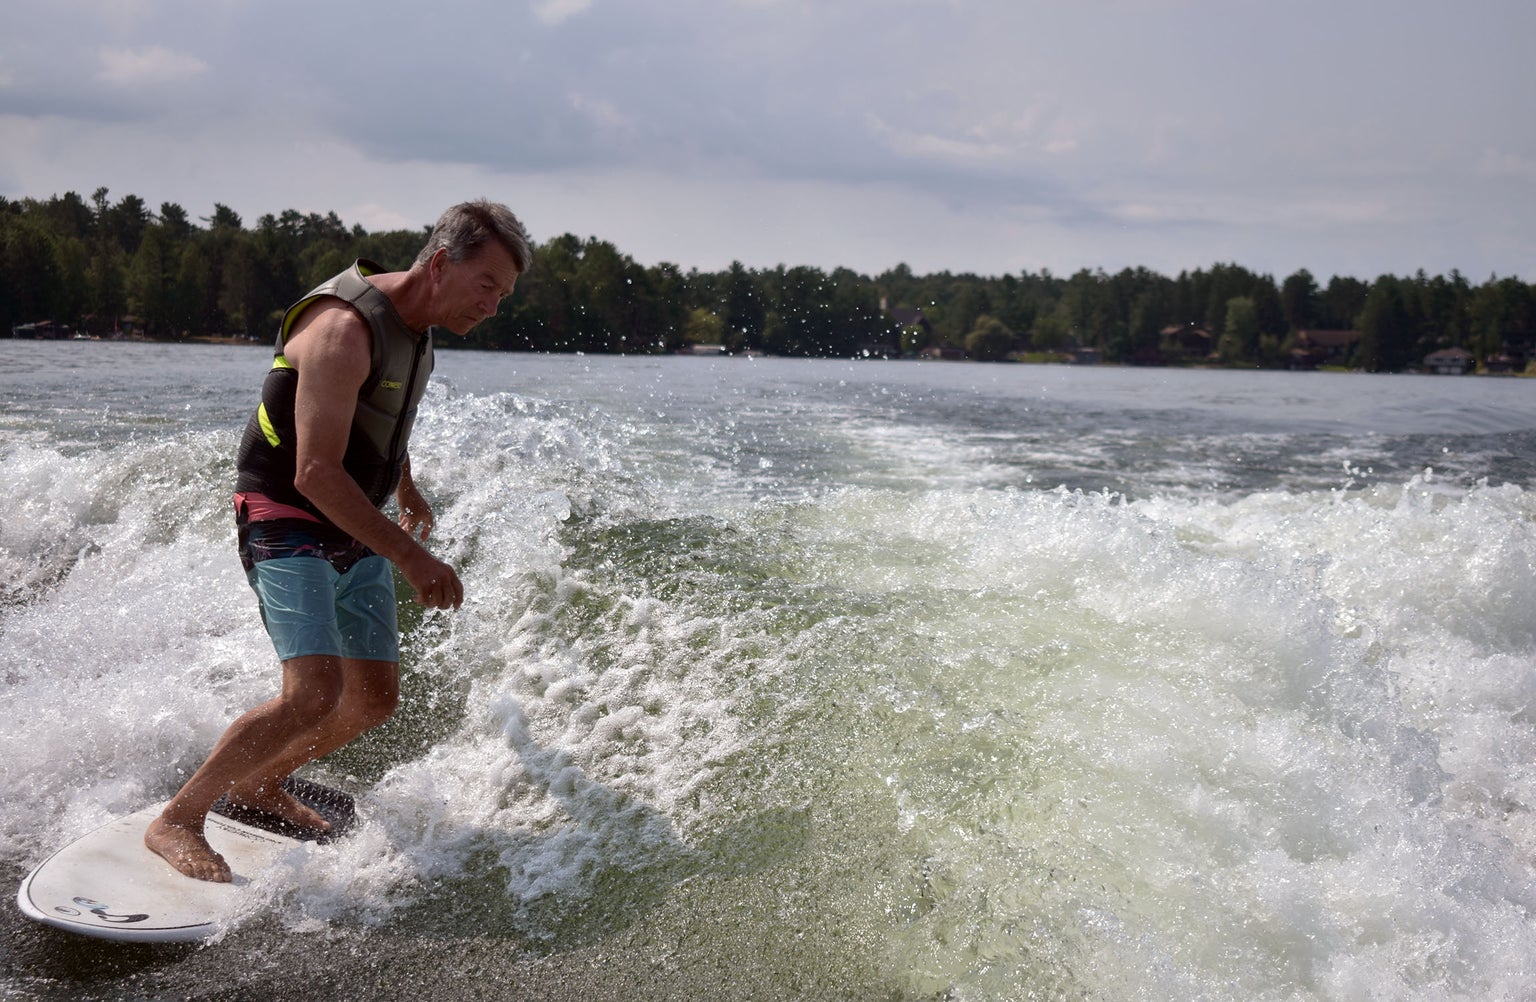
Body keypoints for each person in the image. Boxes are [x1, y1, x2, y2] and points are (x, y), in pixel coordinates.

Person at [144, 200, 532, 882]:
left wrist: (404, 484)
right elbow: (315, 470)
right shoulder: (341, 330)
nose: (494, 305)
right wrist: (410, 554)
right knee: (313, 692)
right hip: (287, 515)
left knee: (374, 697)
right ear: (442, 263)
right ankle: (178, 817)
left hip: (352, 522)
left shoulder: (419, 330)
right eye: (488, 286)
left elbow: (380, 417)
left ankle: (260, 782)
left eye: (503, 294)